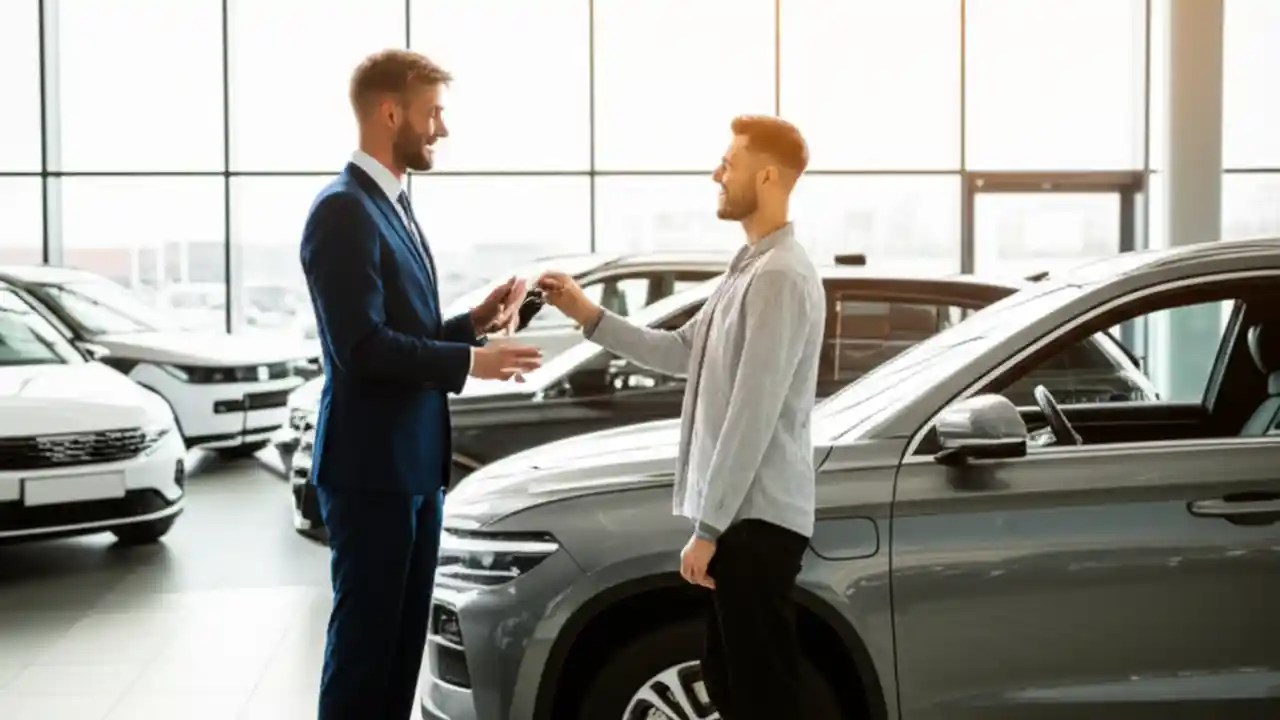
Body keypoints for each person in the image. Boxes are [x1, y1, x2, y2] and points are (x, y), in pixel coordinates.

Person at [537, 115, 824, 719]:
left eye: (730, 162)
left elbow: (753, 411)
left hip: (756, 521)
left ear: (767, 174)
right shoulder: (748, 268)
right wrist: (588, 314)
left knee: (759, 690)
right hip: (745, 519)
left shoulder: (779, 276)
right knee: (734, 681)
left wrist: (710, 528)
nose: (716, 173)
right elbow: (679, 352)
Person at [299, 49, 542, 720]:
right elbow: (362, 349)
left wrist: (471, 324)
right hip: (372, 471)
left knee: (401, 650)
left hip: (410, 469)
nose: (441, 129)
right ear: (389, 112)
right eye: (432, 112)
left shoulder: (391, 205)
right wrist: (472, 366)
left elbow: (402, 329)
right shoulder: (343, 210)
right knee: (365, 654)